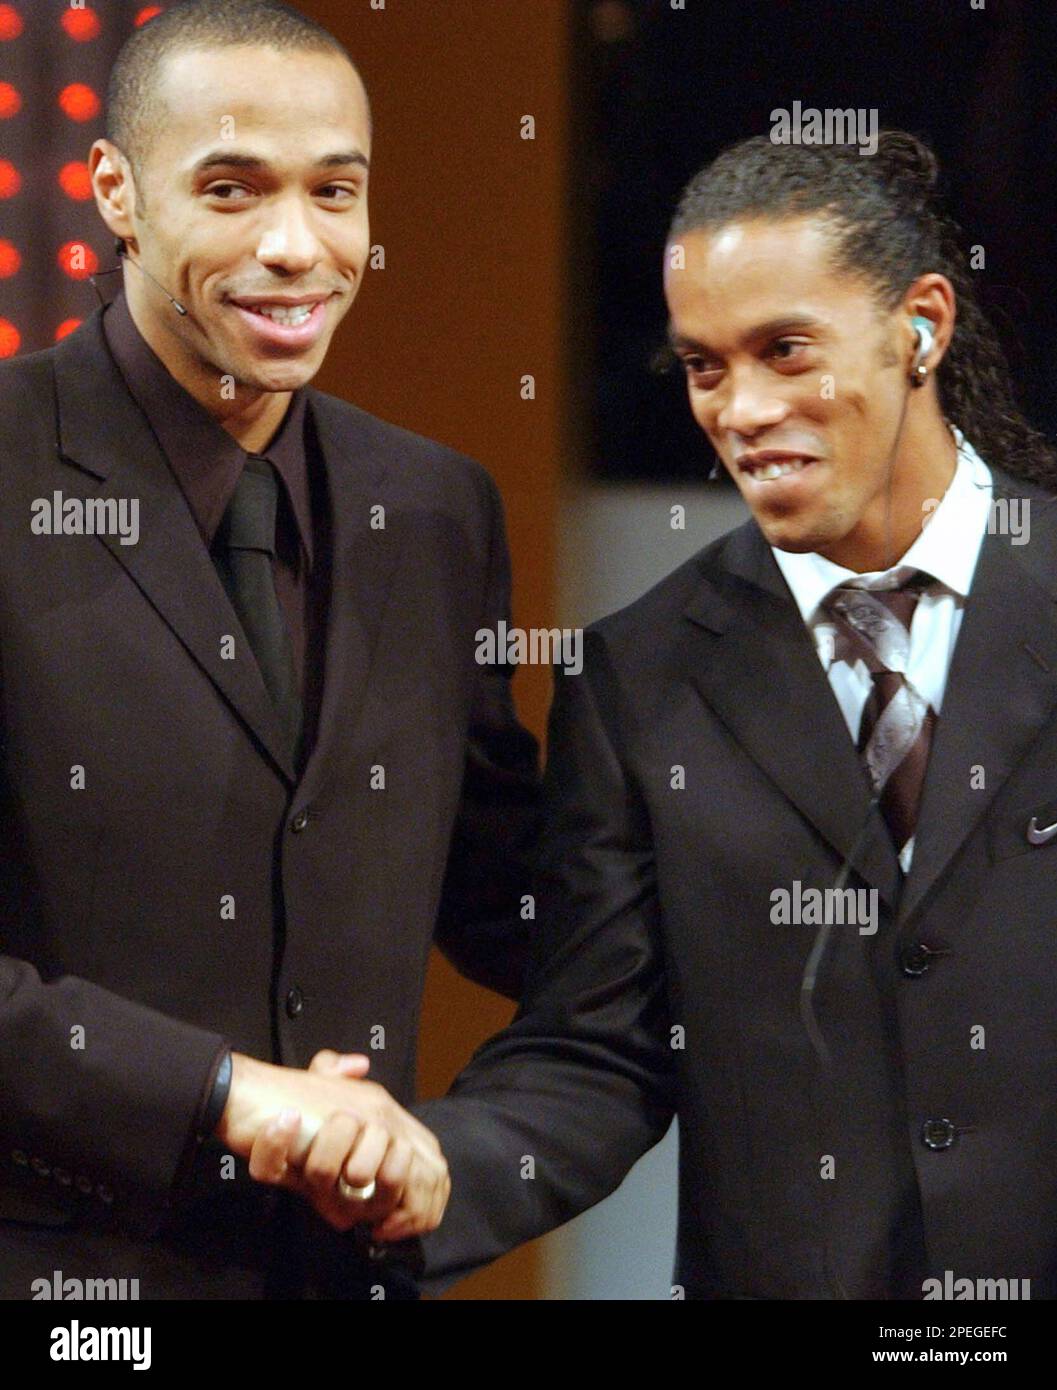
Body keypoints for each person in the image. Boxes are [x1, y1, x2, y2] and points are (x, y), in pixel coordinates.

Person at [271, 128, 1057, 1297]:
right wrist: (432, 1164)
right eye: (703, 367)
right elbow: (598, 1045)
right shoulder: (639, 677)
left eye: (786, 352)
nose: (741, 409)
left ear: (921, 328)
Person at [0, 0, 539, 1300]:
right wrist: (227, 1096)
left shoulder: (434, 507)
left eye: (333, 192)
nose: (295, 247)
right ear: (116, 192)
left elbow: (507, 889)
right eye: (231, 190)